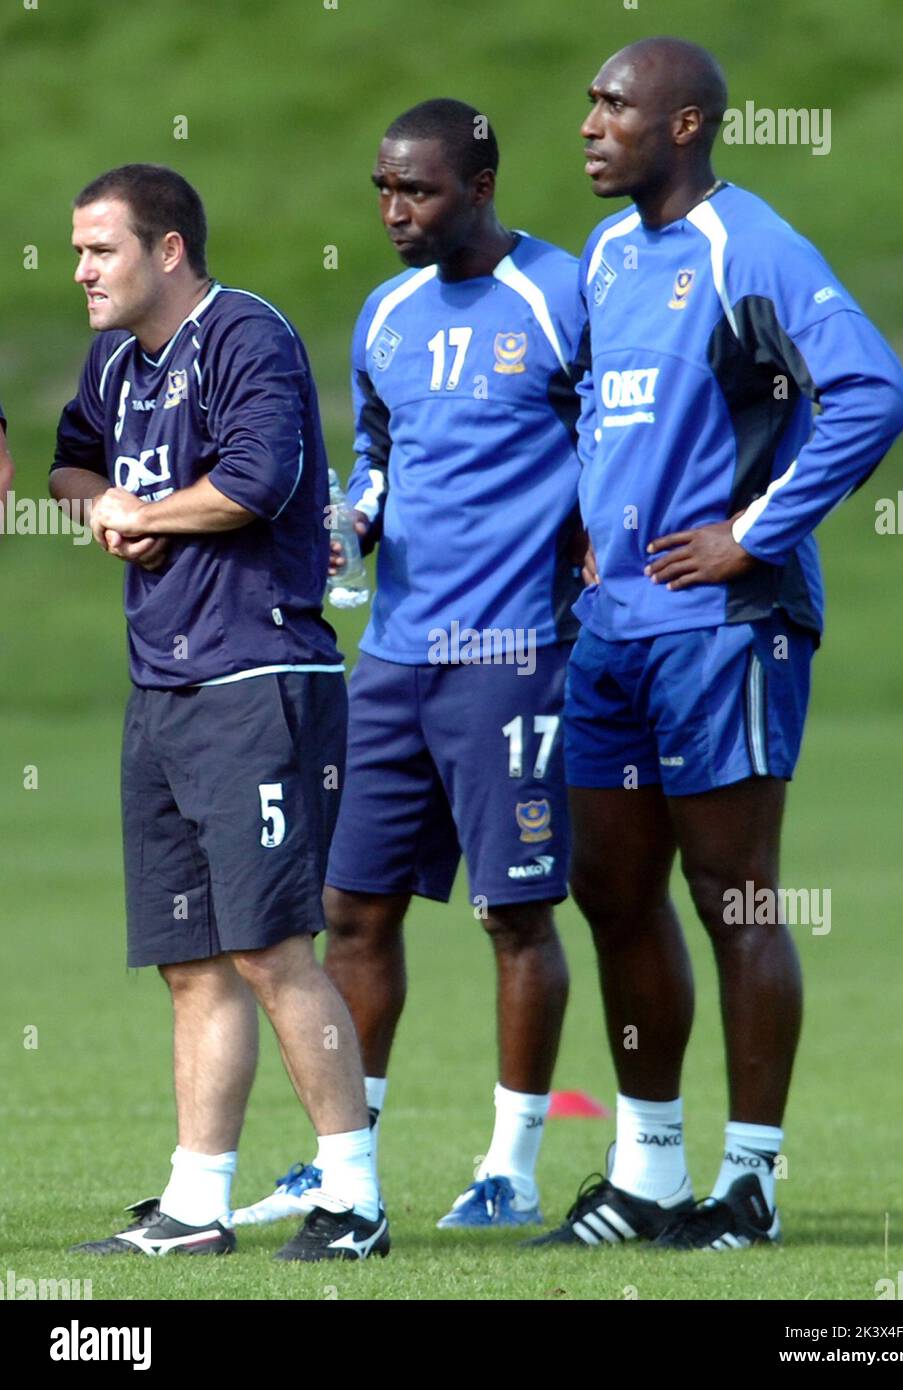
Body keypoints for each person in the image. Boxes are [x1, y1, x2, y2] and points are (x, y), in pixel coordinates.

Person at [529, 38, 903, 1250]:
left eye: (614, 105)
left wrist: (753, 532)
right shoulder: (602, 254)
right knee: (609, 890)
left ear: (684, 124)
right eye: (588, 101)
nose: (589, 122)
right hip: (615, 632)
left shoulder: (748, 242)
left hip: (724, 628)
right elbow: (603, 417)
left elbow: (872, 393)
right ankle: (646, 1173)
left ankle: (747, 1181)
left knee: (733, 893)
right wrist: (581, 540)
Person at [232, 100, 586, 1231]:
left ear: (481, 186)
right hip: (390, 655)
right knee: (351, 912)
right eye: (383, 190)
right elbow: (382, 450)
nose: (394, 212)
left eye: (418, 192)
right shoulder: (383, 313)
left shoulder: (562, 293)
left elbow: (615, 438)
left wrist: (588, 546)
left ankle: (511, 1165)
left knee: (514, 915)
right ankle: (348, 1161)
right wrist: (363, 514)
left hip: (512, 652)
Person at [50, 164, 387, 1262]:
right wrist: (103, 501)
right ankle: (197, 1204)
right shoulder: (115, 359)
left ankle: (354, 1200)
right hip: (163, 689)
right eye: (78, 250)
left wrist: (151, 510)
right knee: (192, 960)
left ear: (170, 251)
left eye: (102, 250)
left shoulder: (247, 337)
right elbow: (67, 462)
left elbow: (257, 481)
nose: (82, 270)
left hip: (260, 680)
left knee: (274, 949)